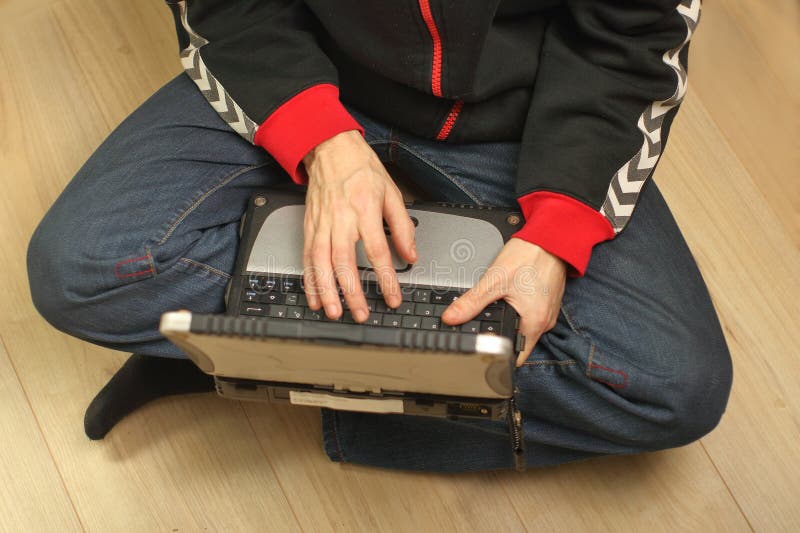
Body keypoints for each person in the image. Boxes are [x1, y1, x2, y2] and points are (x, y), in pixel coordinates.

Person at [26, 0, 732, 471]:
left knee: (673, 384)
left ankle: (257, 354)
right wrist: (319, 136)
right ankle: (316, 355)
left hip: (525, 119)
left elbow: (636, 37)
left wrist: (554, 233)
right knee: (79, 264)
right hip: (310, 68)